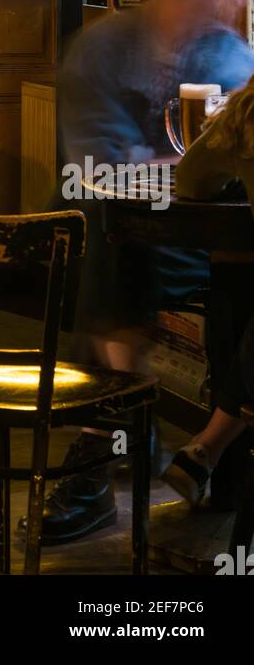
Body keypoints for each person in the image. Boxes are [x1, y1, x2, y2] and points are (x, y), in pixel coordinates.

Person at [25, 0, 254, 544]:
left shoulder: (231, 57)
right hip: (117, 235)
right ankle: (132, 433)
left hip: (198, 244)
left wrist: (168, 167)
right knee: (106, 233)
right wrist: (184, 168)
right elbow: (95, 170)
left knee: (127, 247)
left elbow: (232, 169)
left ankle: (107, 449)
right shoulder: (103, 48)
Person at [162, 81, 254, 503]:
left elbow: (192, 179)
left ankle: (210, 448)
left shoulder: (245, 113)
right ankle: (211, 450)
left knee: (235, 284)